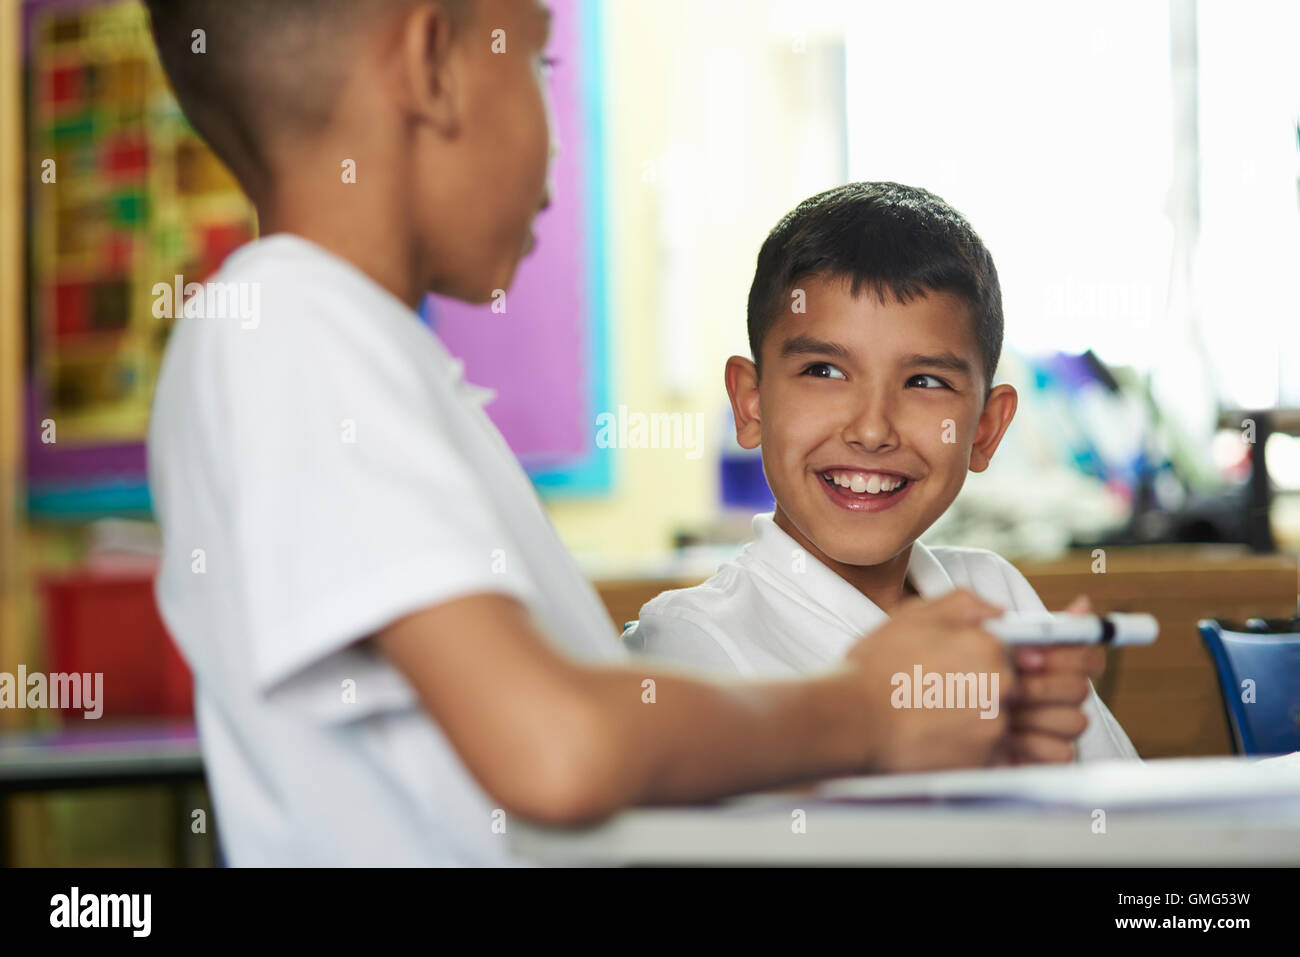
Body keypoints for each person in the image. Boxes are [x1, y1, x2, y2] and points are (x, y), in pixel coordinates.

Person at [143, 0, 1087, 865]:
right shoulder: (290, 319)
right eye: (539, 64)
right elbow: (558, 749)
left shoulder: (362, 354)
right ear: (433, 62)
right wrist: (867, 712)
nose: (558, 145)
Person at [624, 182, 1137, 763]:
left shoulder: (997, 598)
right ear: (751, 403)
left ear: (987, 429)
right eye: (823, 370)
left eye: (925, 382)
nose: (871, 430)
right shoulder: (689, 642)